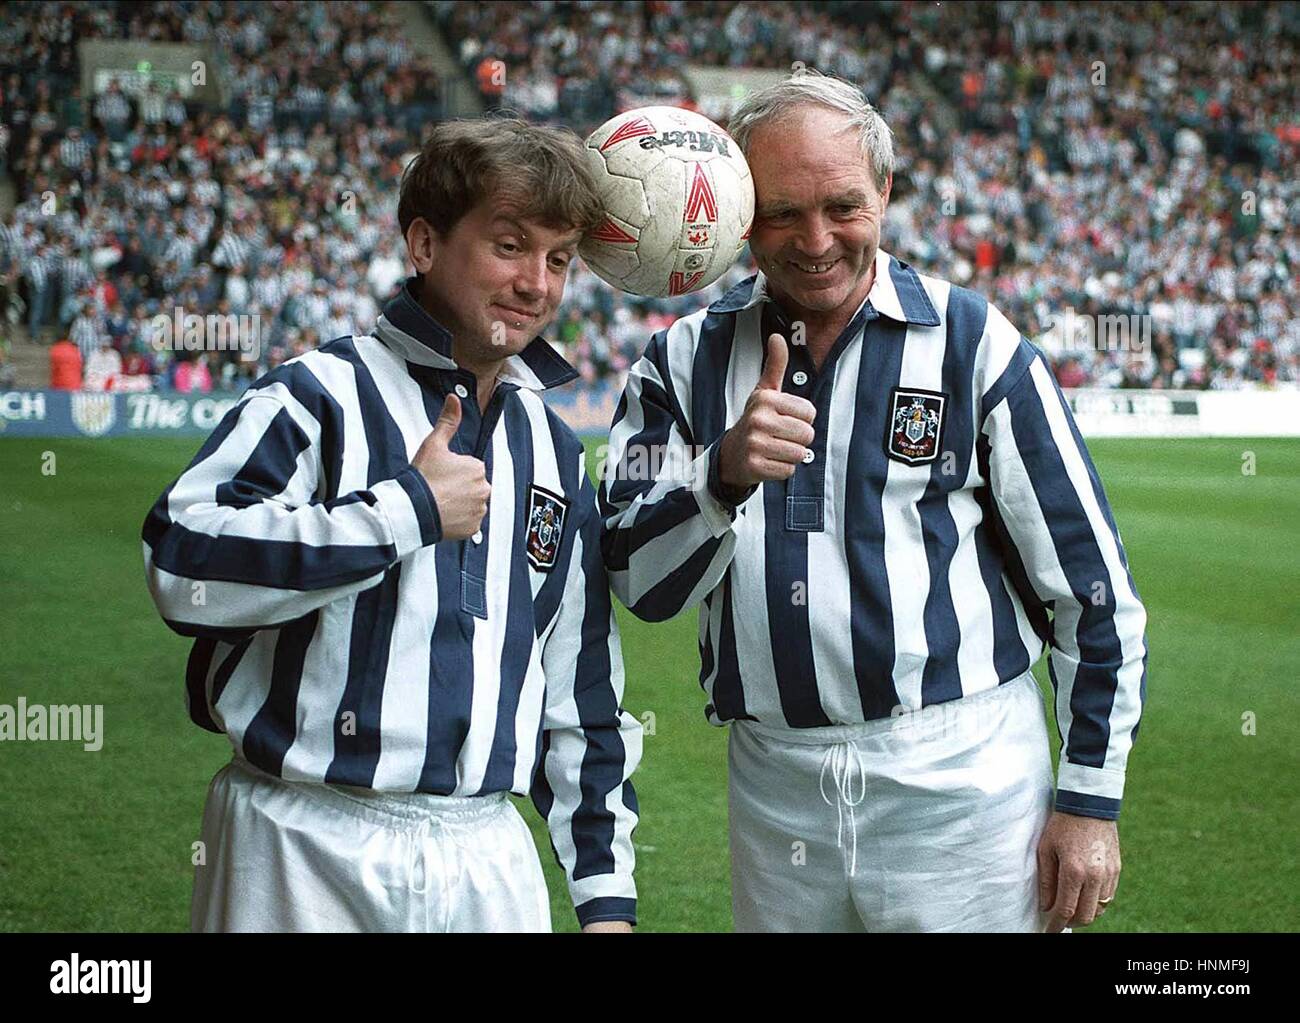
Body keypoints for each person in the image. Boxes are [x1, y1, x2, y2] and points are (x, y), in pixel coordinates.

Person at [598, 71, 1147, 933]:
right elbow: (637, 578)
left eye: (843, 206)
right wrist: (722, 475)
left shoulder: (977, 346)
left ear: (885, 193)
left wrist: (1090, 801)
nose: (815, 240)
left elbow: (1094, 593)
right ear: (741, 211)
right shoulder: (677, 367)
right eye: (782, 212)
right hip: (773, 783)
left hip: (962, 779)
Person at [142, 118, 641, 933]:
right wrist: (403, 510)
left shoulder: (553, 449)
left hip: (487, 854)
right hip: (299, 838)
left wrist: (605, 897)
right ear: (424, 243)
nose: (537, 283)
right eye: (509, 246)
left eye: (559, 259)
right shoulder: (314, 394)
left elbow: (579, 686)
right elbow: (180, 562)